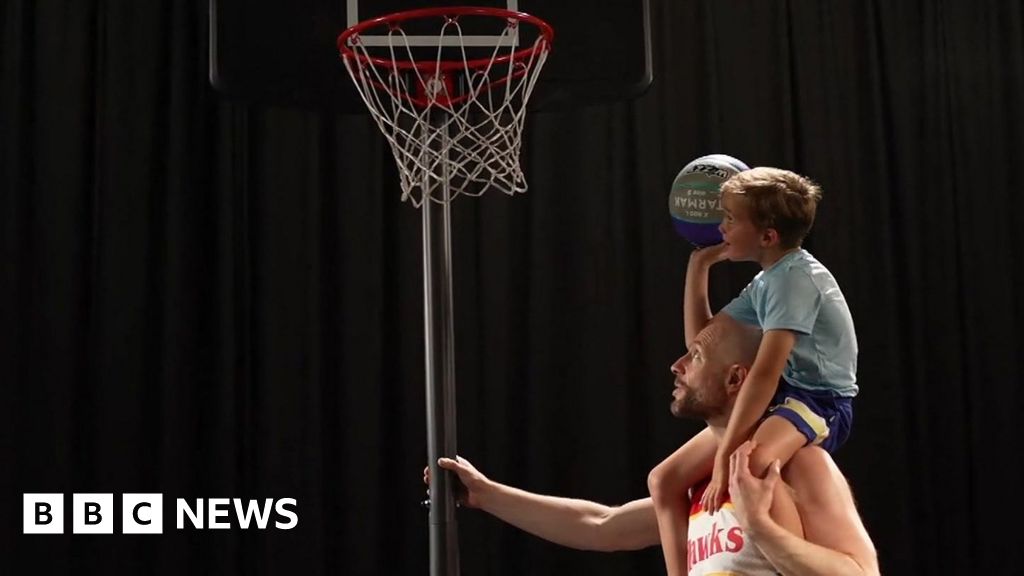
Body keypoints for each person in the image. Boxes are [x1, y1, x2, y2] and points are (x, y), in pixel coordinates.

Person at [425, 319, 879, 575]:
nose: (676, 366)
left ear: (737, 377)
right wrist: (485, 493)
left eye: (696, 356)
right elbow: (602, 524)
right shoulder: (699, 484)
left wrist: (762, 528)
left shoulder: (802, 464)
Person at [648, 167, 859, 575]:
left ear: (768, 237)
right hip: (786, 395)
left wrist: (726, 456)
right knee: (665, 480)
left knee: (750, 466)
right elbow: (704, 346)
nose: (720, 226)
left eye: (730, 218)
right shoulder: (768, 279)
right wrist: (698, 267)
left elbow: (763, 374)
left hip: (819, 403)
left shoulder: (794, 281)